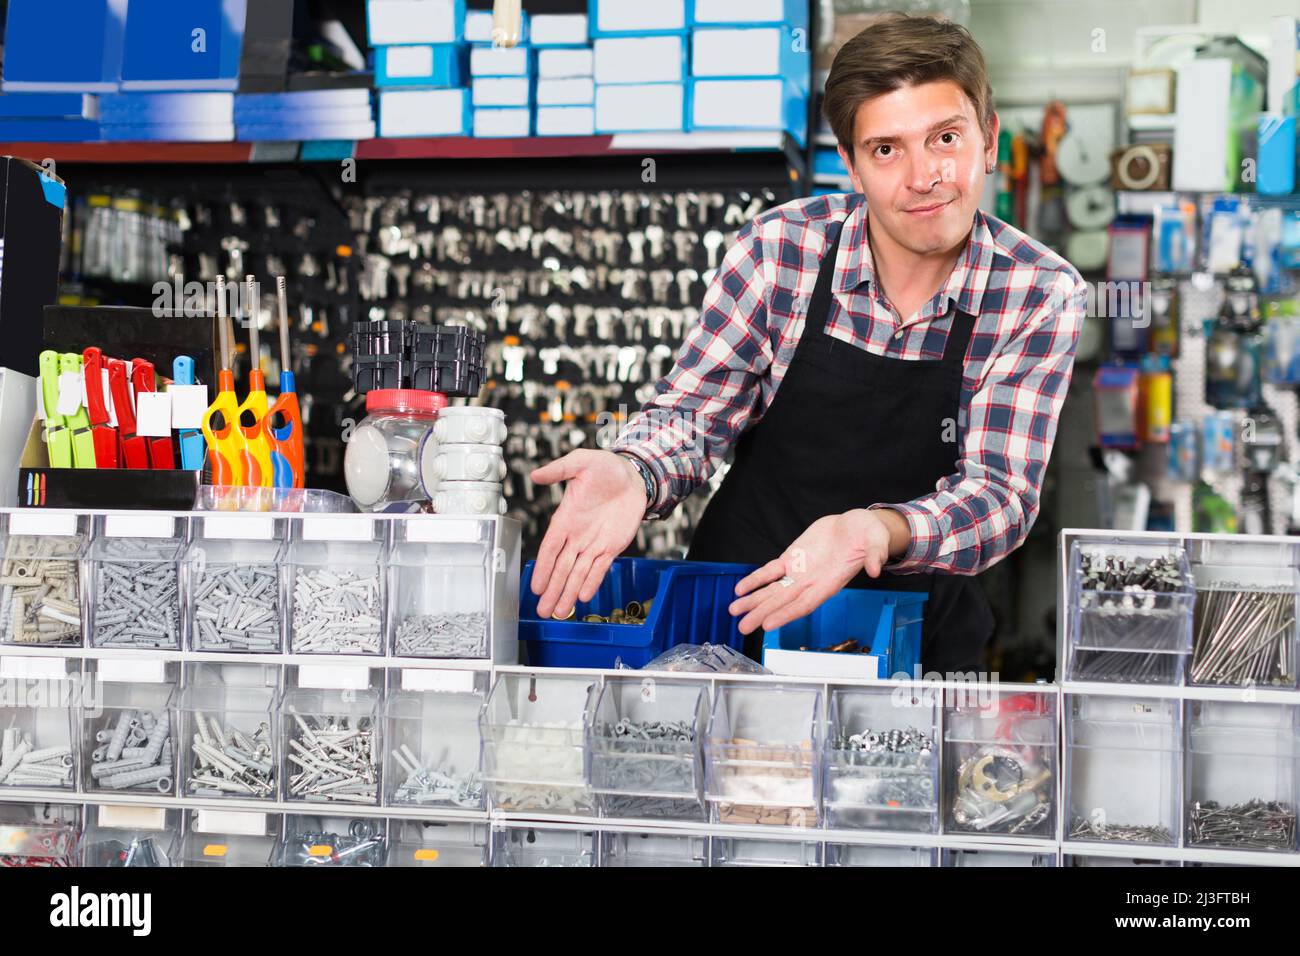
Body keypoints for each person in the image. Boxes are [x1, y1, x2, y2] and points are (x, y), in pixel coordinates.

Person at [527, 13, 1087, 675]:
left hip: (912, 634)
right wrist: (635, 470)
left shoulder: (1038, 292)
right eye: (886, 149)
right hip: (740, 610)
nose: (923, 176)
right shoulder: (780, 249)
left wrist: (872, 532)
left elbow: (1000, 494)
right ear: (849, 164)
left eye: (945, 138)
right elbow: (694, 417)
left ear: (988, 139)